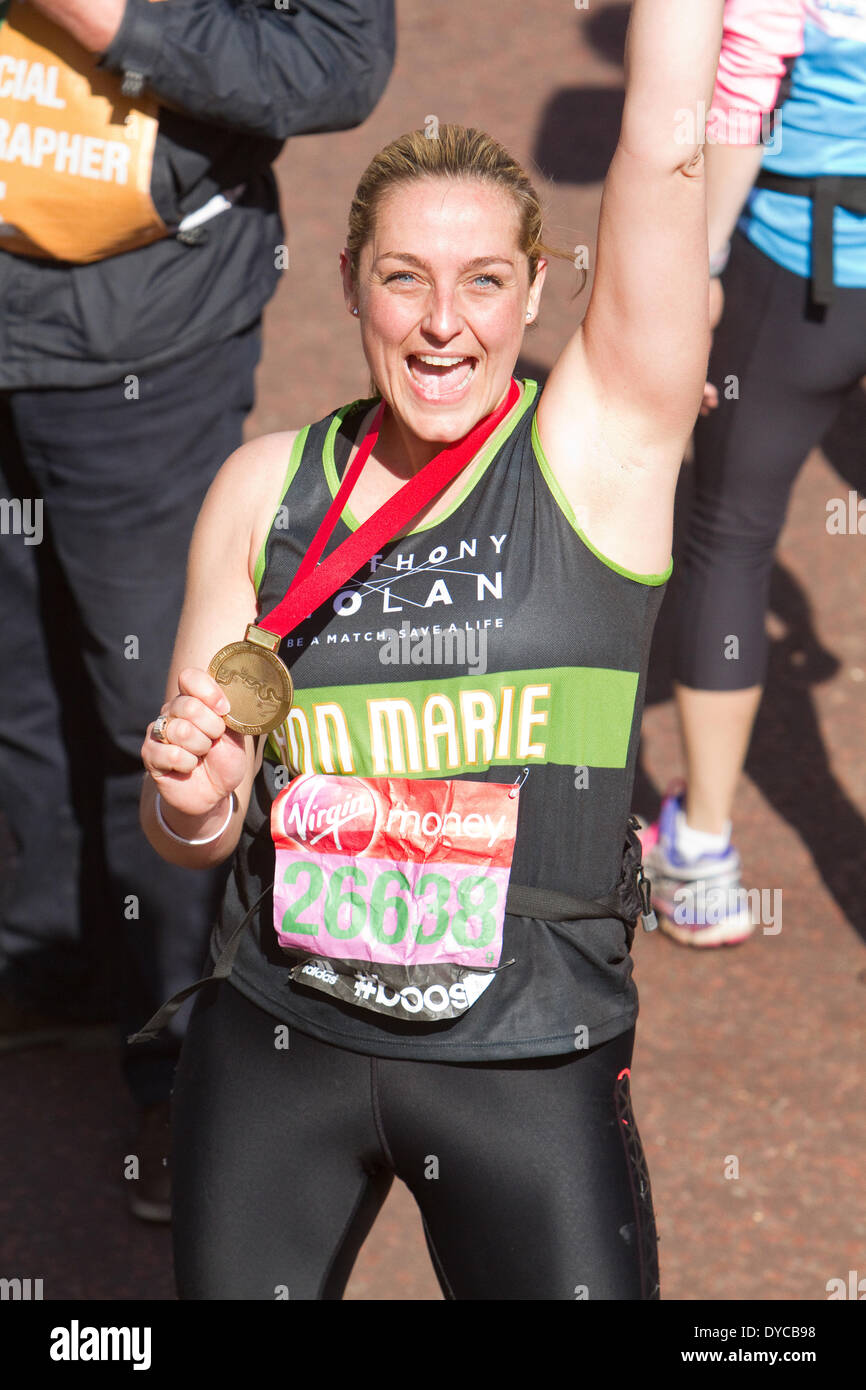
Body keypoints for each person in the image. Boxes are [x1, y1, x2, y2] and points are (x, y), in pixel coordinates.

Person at [139, 0, 725, 1300]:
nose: (441, 323)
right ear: (350, 282)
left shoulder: (598, 457)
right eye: (403, 276)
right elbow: (188, 819)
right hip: (279, 1039)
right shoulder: (260, 493)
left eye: (482, 281)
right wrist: (188, 800)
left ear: (537, 287)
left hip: (526, 1058)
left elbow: (665, 156)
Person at [0, 0, 395, 1221]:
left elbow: (337, 61)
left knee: (161, 710)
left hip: (142, 335)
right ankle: (55, 960)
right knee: (15, 674)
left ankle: (188, 1065)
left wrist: (101, 15)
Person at [642, 0, 866, 946]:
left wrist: (699, 261)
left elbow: (741, 98)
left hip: (799, 270)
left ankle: (701, 856)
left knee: (729, 535)